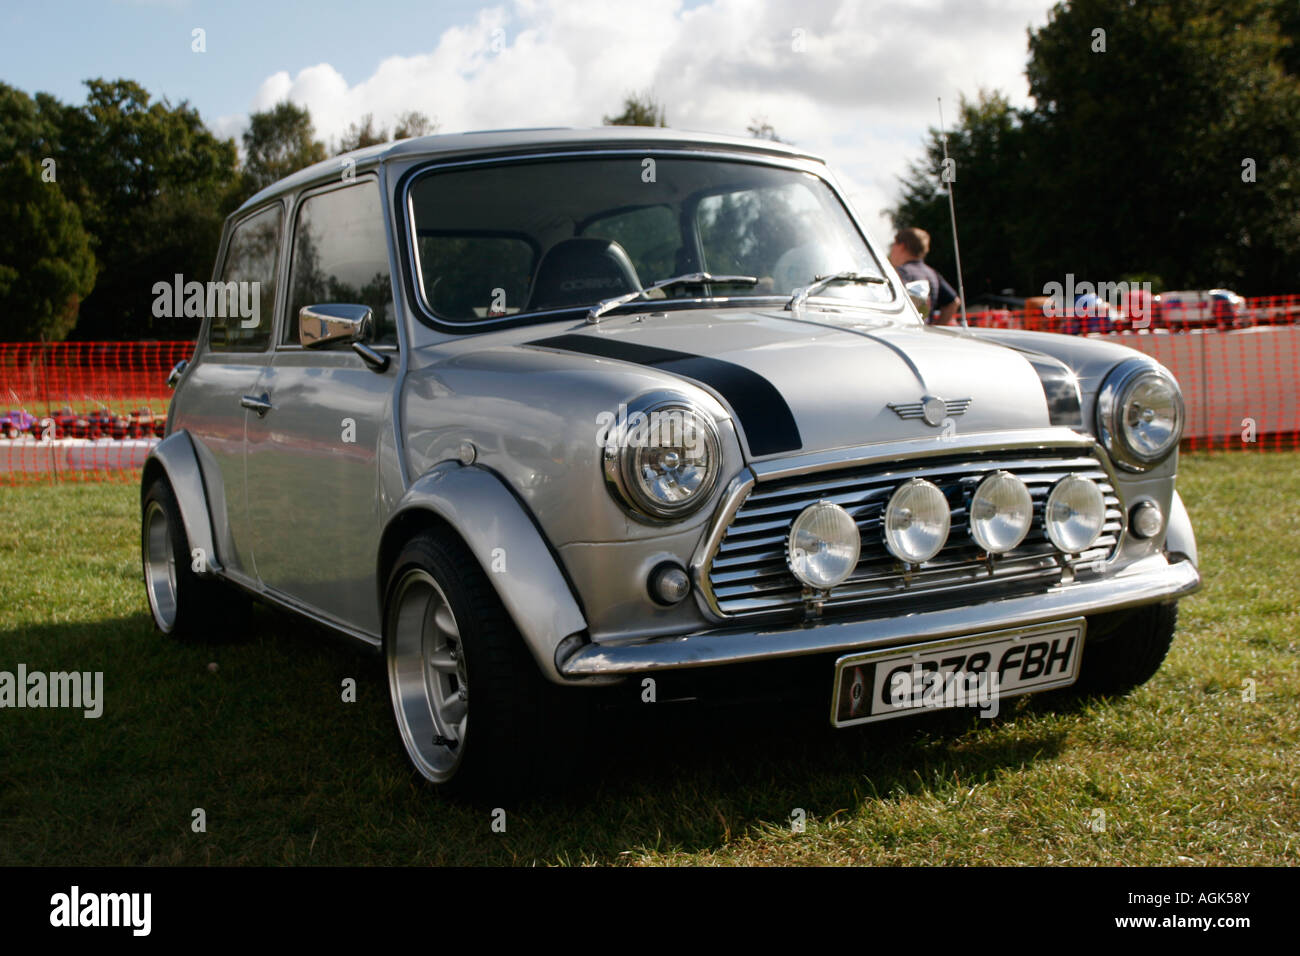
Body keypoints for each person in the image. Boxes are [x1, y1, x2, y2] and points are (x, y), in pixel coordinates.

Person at [888, 227, 960, 324]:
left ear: (902, 246)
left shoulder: (901, 273)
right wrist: (936, 326)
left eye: (894, 244)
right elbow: (954, 302)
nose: (892, 249)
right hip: (923, 333)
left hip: (905, 333)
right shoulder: (933, 274)